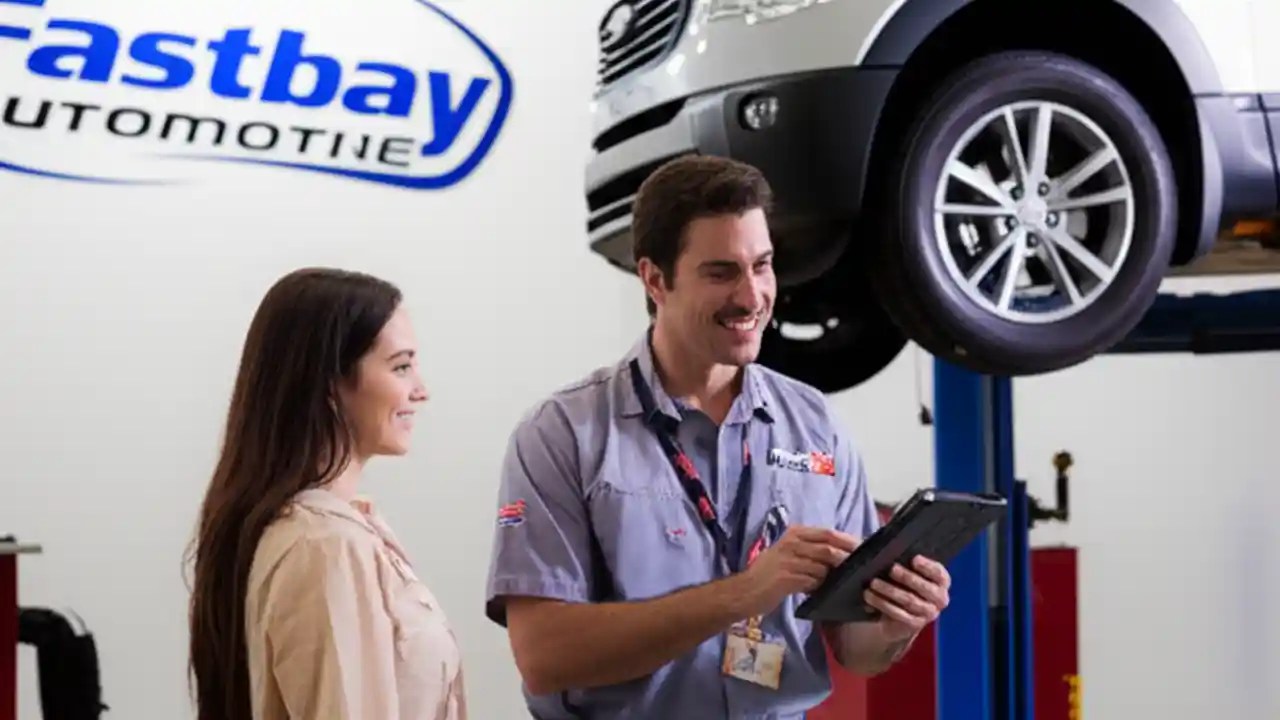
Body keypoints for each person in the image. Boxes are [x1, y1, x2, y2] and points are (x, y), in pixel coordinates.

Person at [483, 156, 953, 718]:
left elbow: (855, 649)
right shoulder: (564, 434)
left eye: (763, 265)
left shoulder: (816, 425)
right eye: (721, 272)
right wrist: (744, 592)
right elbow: (545, 655)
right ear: (655, 279)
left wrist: (897, 623)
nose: (752, 296)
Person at [185, 267, 467, 720]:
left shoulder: (333, 531)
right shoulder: (326, 546)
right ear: (329, 385)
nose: (421, 390)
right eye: (400, 366)